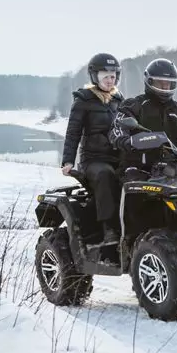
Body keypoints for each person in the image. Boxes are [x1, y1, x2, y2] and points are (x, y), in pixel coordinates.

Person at [61, 52, 124, 245]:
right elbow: (73, 133)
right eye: (105, 76)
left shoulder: (118, 100)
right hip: (93, 160)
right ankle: (109, 230)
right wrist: (68, 160)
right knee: (105, 175)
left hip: (117, 157)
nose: (109, 80)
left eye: (113, 76)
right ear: (95, 76)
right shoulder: (83, 100)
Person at [109, 58, 177, 177]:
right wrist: (125, 140)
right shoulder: (133, 105)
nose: (165, 87)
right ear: (149, 81)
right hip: (138, 166)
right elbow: (116, 129)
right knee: (134, 184)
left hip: (169, 166)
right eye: (160, 83)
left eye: (169, 83)